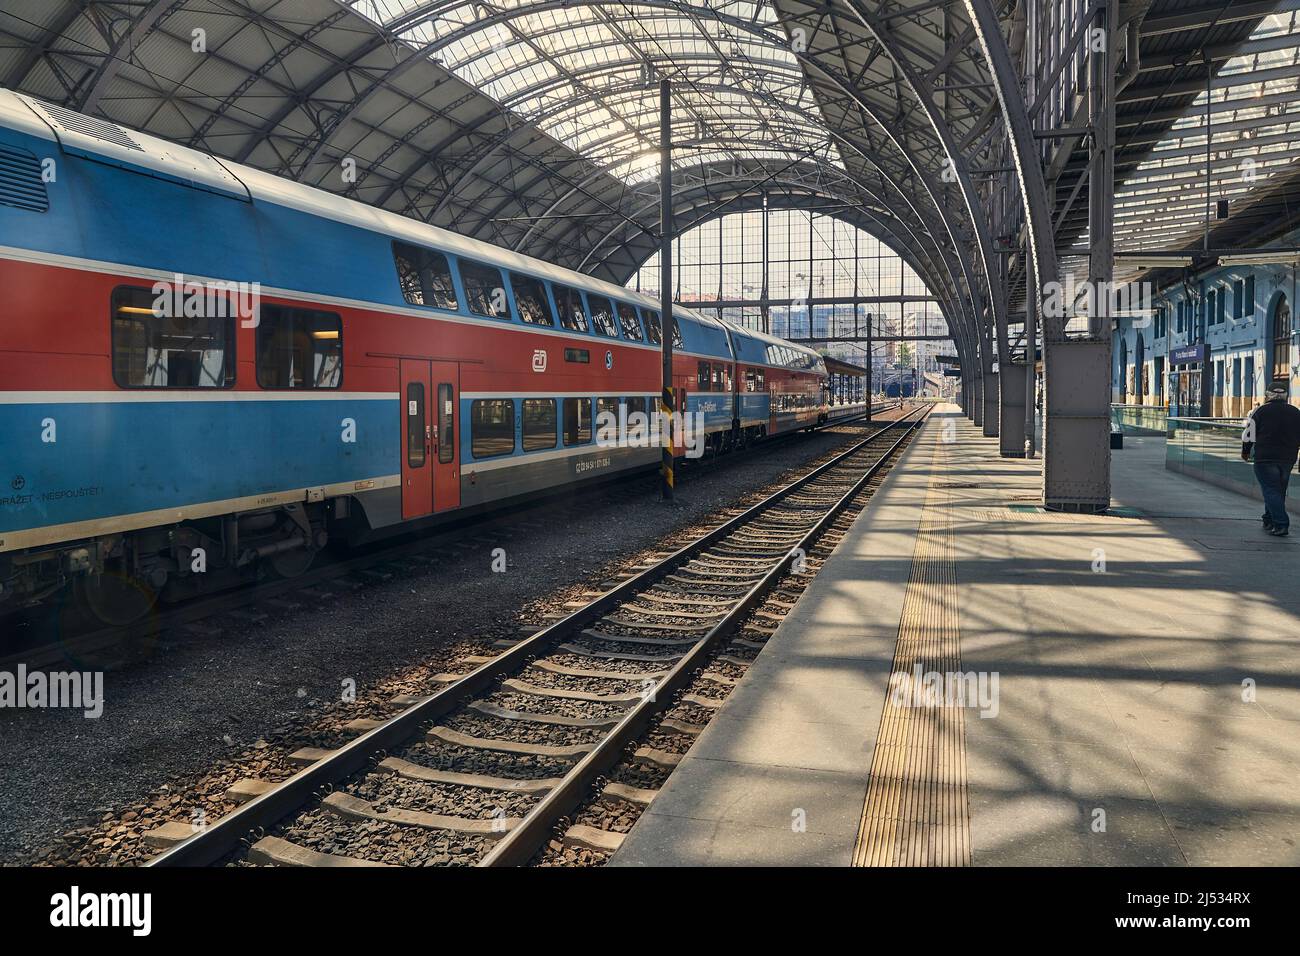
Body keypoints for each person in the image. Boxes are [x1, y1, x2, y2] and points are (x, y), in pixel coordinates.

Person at [1241, 381, 1300, 536]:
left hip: (1264, 457)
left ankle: (1281, 524)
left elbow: (1249, 434)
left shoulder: (1260, 411)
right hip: (1288, 458)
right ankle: (1269, 519)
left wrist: (1245, 452)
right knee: (1277, 490)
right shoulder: (1296, 412)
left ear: (1268, 395)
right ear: (1286, 395)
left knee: (1270, 490)